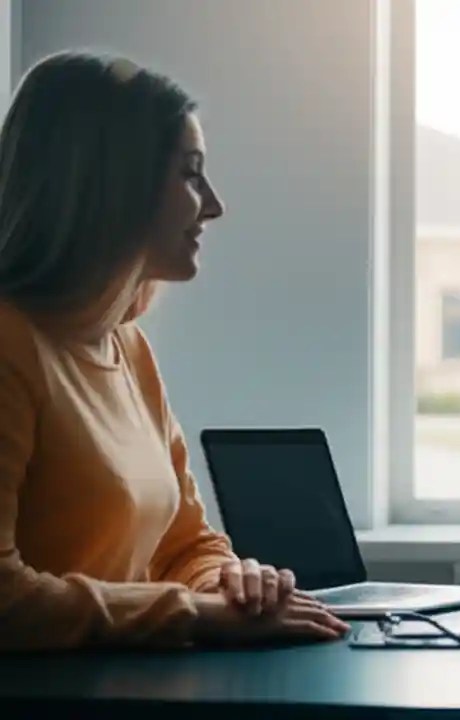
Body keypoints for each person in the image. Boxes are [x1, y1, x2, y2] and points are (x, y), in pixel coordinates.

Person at [0, 51, 349, 650]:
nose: (213, 204)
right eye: (191, 173)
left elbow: (186, 543)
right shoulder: (10, 346)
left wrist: (232, 584)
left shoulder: (126, 347)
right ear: (114, 185)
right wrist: (193, 612)